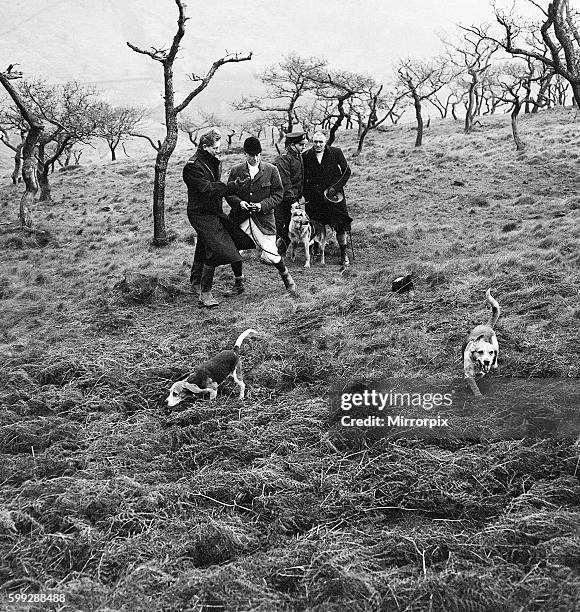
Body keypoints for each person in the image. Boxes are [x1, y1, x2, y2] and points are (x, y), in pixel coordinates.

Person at [184, 129, 253, 308]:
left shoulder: (212, 161)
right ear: (205, 147)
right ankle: (205, 293)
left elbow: (214, 188)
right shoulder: (192, 166)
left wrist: (234, 187)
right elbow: (207, 189)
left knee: (205, 245)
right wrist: (232, 187)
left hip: (213, 211)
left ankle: (195, 283)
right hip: (200, 214)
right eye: (215, 148)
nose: (218, 151)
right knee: (216, 249)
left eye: (219, 147)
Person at [226, 136, 297, 295]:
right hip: (241, 218)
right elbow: (229, 193)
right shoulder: (236, 170)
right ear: (245, 154)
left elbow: (278, 194)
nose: (255, 158)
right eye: (252, 155)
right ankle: (239, 283)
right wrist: (240, 203)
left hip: (263, 220)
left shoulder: (271, 170)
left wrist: (261, 205)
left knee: (271, 252)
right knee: (233, 249)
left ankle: (287, 279)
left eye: (258, 154)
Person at [302, 130, 353, 266]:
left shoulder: (336, 153)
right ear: (312, 142)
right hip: (315, 199)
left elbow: (346, 171)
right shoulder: (306, 156)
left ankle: (343, 252)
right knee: (315, 224)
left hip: (334, 197)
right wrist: (307, 194)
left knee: (340, 225)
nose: (318, 145)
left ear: (326, 142)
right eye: (315, 142)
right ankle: (316, 250)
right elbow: (303, 177)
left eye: (321, 142)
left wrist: (335, 187)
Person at [273, 130, 306, 255]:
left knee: (289, 224)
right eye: (300, 145)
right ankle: (272, 251)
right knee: (279, 225)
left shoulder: (298, 156)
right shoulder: (283, 159)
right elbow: (285, 182)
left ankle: (283, 251)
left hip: (294, 198)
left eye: (304, 144)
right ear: (292, 145)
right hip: (282, 200)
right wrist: (292, 201)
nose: (303, 147)